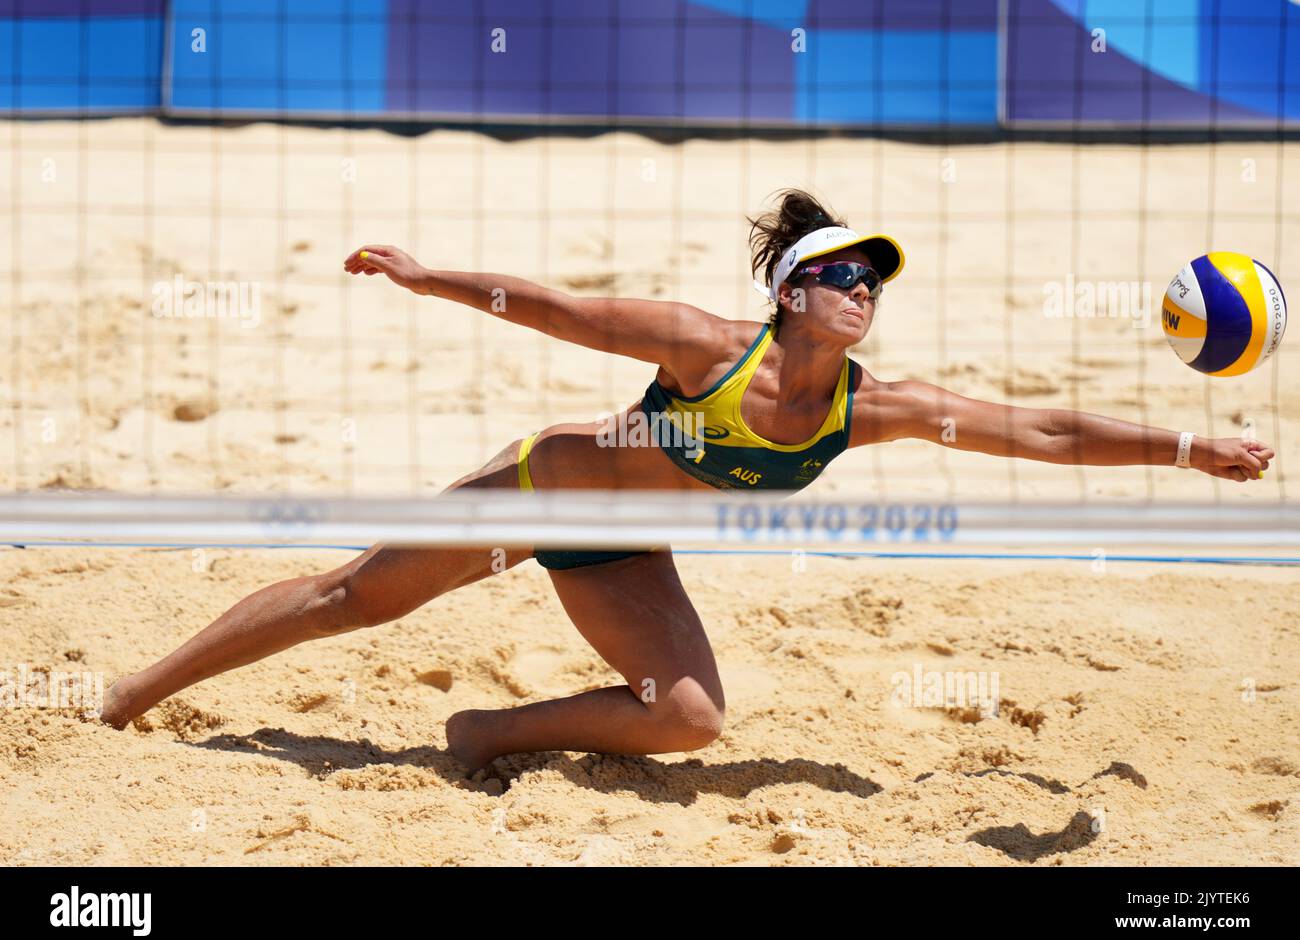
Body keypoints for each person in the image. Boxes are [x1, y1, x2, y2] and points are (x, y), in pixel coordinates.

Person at [99, 188, 1273, 772]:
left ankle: (483, 731)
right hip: (545, 492)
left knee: (689, 718)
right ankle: (128, 693)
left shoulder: (872, 408)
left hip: (623, 549)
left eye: (876, 278)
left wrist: (1188, 445)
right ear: (789, 295)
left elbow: (1046, 433)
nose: (864, 288)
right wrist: (425, 276)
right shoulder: (706, 342)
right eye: (841, 273)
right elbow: (554, 306)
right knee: (355, 599)